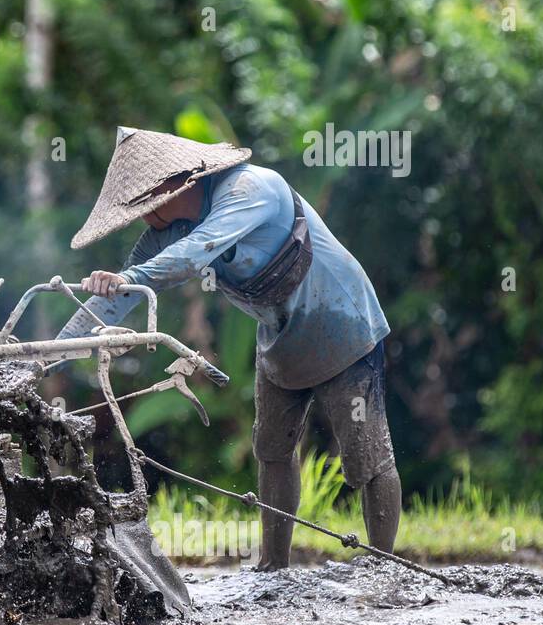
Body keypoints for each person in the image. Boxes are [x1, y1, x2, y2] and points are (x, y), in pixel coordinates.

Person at [60, 126, 399, 569]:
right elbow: (125, 295)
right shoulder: (170, 228)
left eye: (145, 207)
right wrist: (48, 354)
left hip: (342, 322)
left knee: (365, 455)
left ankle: (384, 567)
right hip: (280, 337)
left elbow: (198, 250)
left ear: (173, 186)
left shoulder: (252, 188)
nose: (144, 220)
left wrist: (130, 279)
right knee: (272, 450)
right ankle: (273, 566)